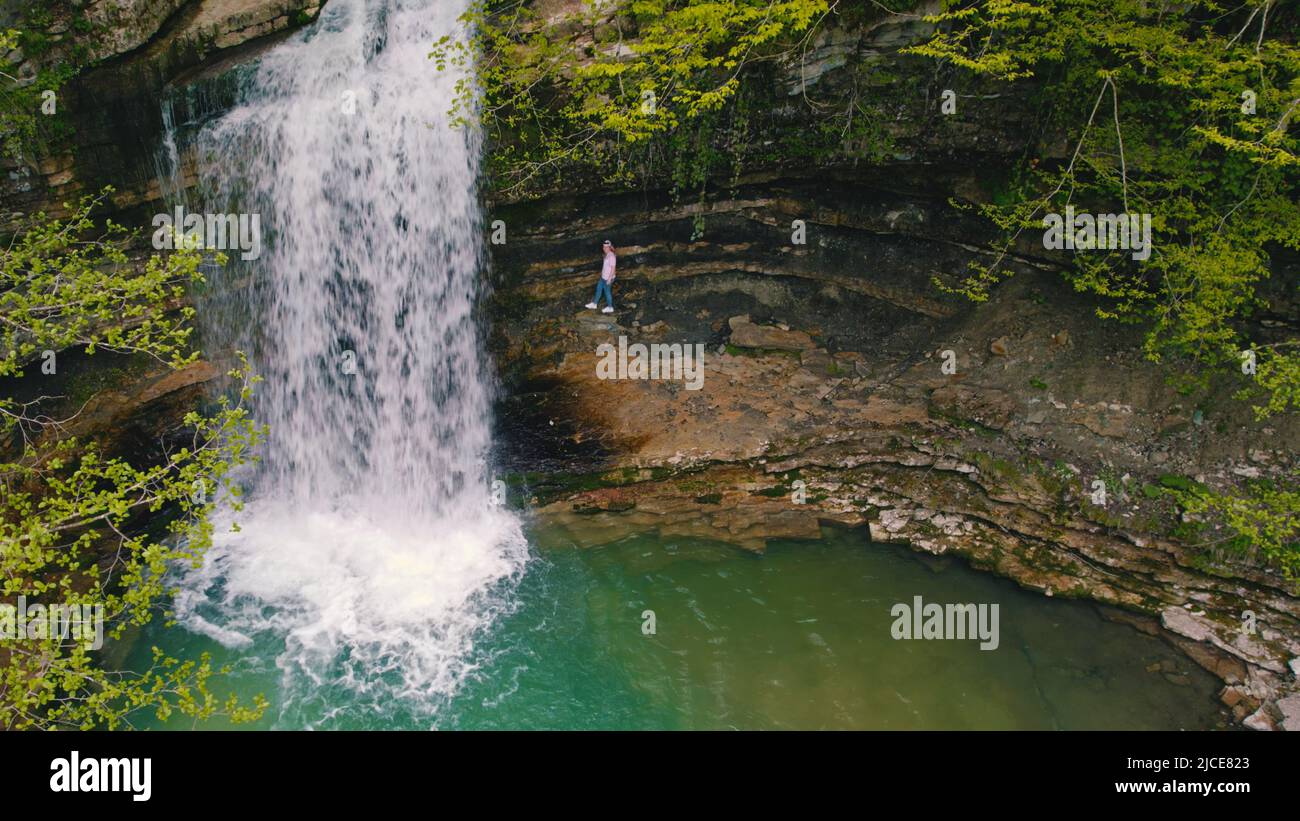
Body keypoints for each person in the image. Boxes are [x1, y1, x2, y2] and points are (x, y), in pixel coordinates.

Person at [585, 240, 617, 313]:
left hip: (608, 278)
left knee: (607, 292)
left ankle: (610, 307)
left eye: (606, 247)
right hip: (603, 277)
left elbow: (613, 269)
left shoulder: (612, 256)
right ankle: (594, 304)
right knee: (598, 289)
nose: (604, 248)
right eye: (604, 247)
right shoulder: (607, 254)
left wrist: (609, 279)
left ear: (610, 247)